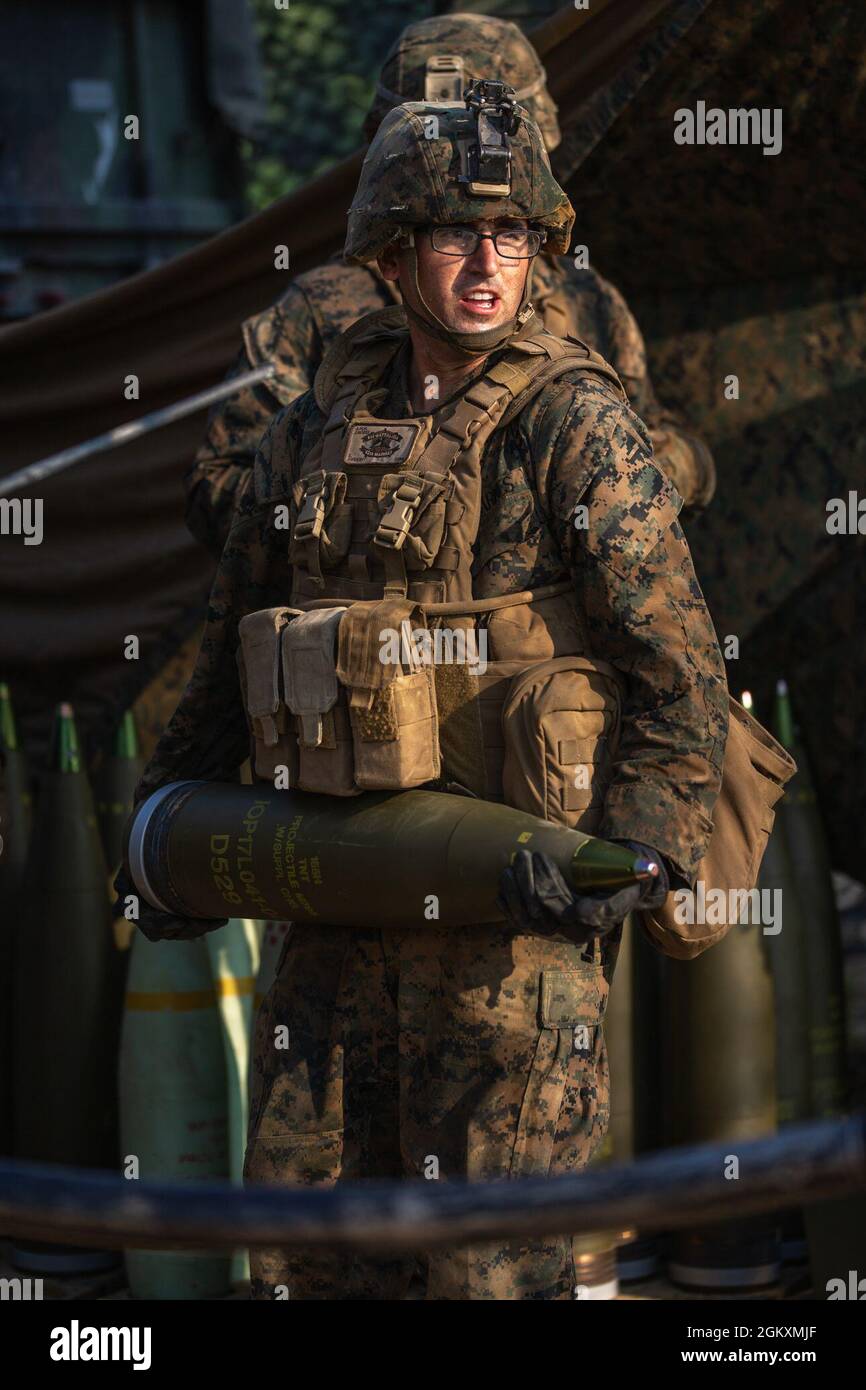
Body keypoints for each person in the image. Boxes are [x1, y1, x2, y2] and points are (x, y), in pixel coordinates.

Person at [115, 84, 728, 1300]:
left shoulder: (572, 421)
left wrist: (633, 858)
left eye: (512, 237)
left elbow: (680, 673)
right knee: (306, 1258)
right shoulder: (316, 423)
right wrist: (165, 837)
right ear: (394, 256)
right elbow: (237, 641)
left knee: (487, 1270)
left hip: (511, 940)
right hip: (332, 923)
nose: (488, 262)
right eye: (456, 234)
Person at [185, 13, 715, 560]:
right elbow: (219, 492)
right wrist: (371, 497)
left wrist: (605, 476)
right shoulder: (323, 309)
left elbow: (671, 451)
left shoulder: (584, 300)